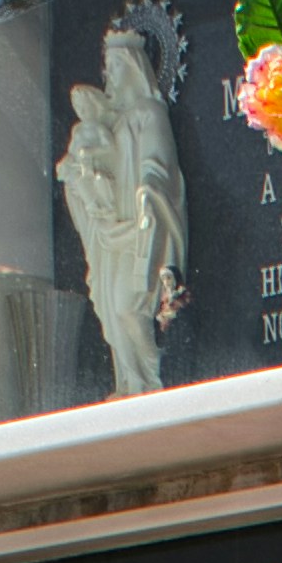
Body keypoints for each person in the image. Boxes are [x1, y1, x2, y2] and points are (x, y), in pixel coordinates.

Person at [58, 22, 189, 397]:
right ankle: (129, 382)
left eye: (116, 67)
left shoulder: (150, 112)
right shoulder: (110, 122)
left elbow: (157, 163)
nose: (110, 77)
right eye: (108, 68)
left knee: (131, 307)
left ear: (133, 68)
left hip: (142, 226)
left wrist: (148, 189)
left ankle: (150, 380)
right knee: (113, 311)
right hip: (113, 229)